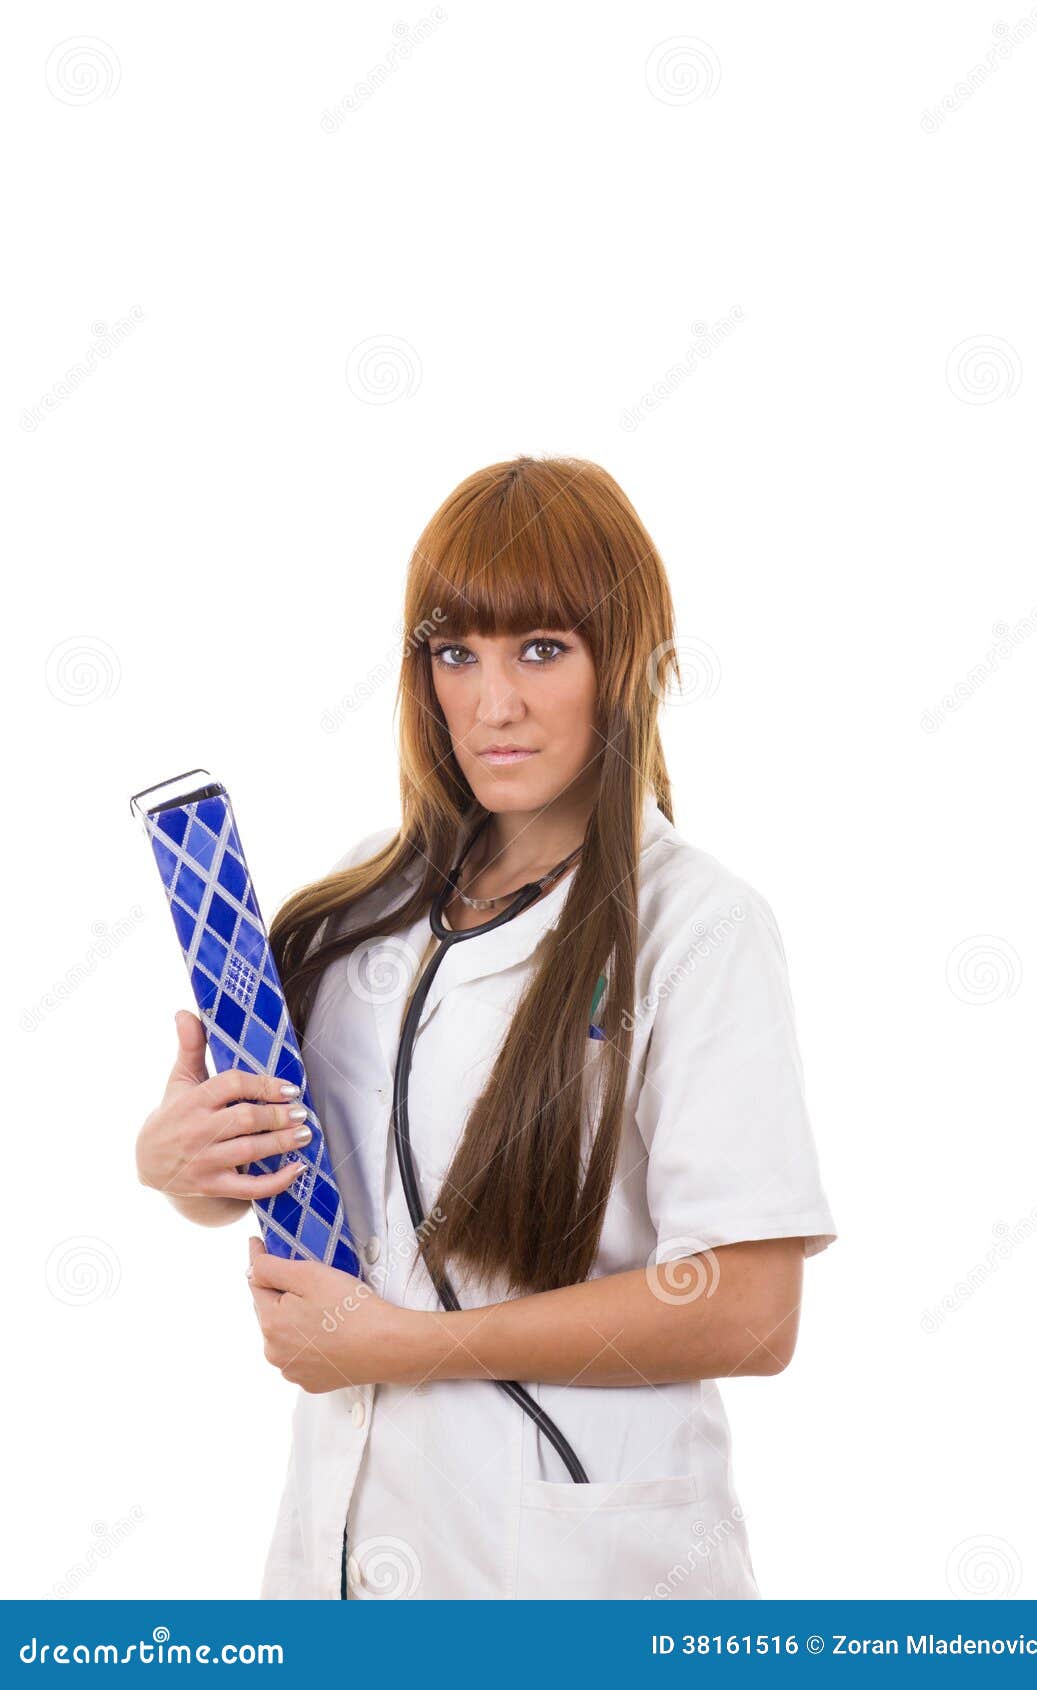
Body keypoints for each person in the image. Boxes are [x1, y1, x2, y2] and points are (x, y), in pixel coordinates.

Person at [136, 454, 838, 1600]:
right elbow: (306, 1180)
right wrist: (185, 1166)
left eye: (541, 649)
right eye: (456, 652)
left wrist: (408, 1349)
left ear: (629, 665)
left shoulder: (701, 928)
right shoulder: (355, 916)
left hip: (577, 1578)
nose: (492, 702)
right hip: (340, 1562)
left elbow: (751, 1310)